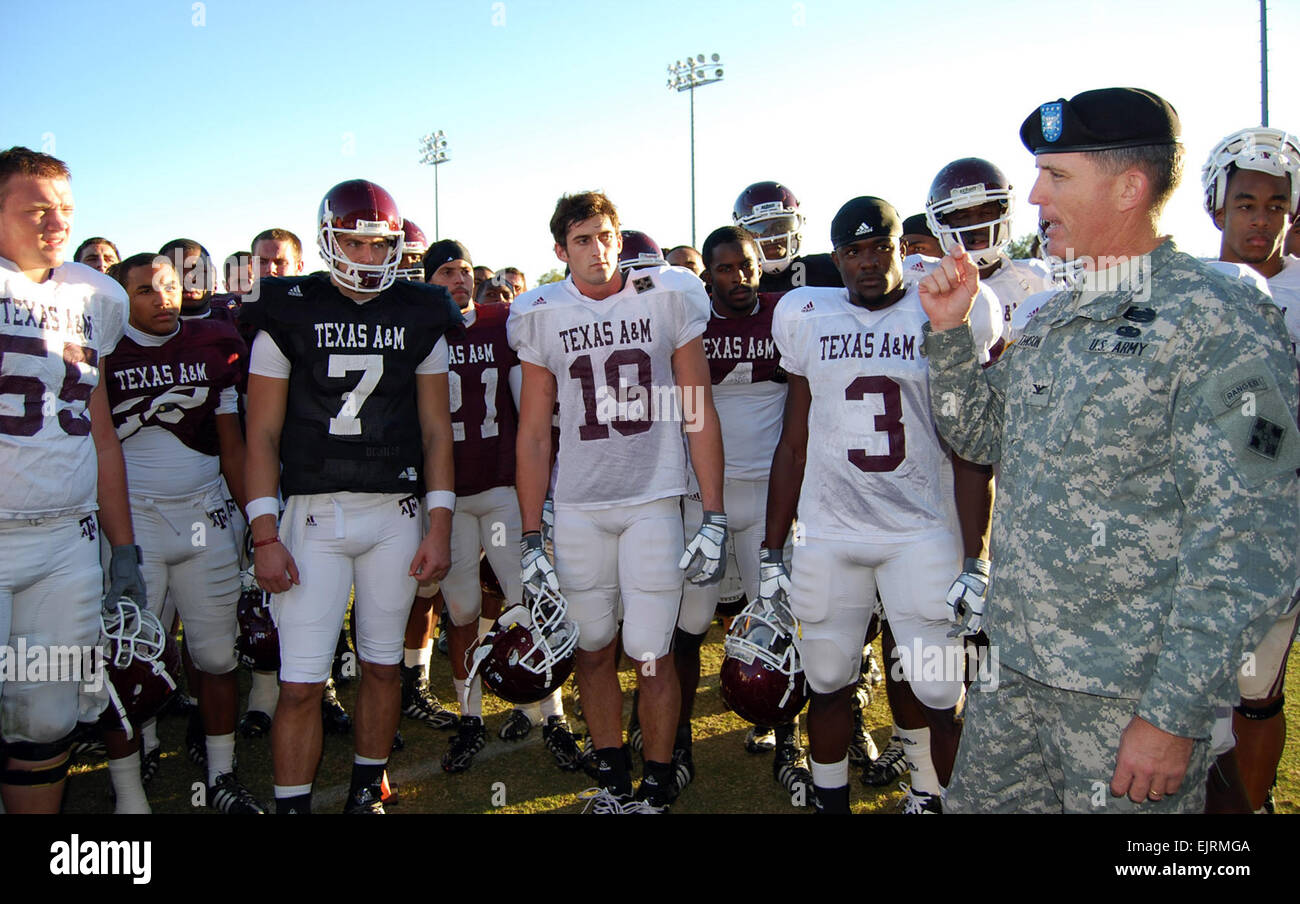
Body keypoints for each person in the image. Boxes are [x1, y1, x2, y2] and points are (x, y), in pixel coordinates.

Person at [921, 87, 1300, 813]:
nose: (1035, 194)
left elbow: (1254, 540)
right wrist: (948, 333)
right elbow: (978, 437)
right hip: (1014, 680)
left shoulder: (1220, 319)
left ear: (1130, 186)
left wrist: (1172, 717)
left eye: (1057, 176)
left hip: (1127, 699)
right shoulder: (1052, 315)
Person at [765, 196, 1000, 814]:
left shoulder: (944, 308)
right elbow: (793, 443)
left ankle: (933, 796)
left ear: (902, 249)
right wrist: (771, 547)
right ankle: (830, 800)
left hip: (920, 531)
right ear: (836, 257)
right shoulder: (806, 315)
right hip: (829, 532)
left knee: (938, 689)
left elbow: (972, 447)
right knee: (829, 682)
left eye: (880, 249)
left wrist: (976, 556)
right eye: (853, 251)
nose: (868, 263)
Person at [241, 178, 459, 814]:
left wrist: (439, 526)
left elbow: (436, 433)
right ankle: (292, 804)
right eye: (355, 245)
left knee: (384, 665)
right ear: (328, 241)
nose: (368, 258)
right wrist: (263, 534)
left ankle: (367, 786)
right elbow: (262, 434)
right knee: (302, 682)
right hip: (312, 514)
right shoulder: (286, 309)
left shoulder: (421, 311)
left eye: (380, 246)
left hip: (394, 514)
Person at [508, 191, 725, 812]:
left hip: (654, 499)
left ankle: (656, 782)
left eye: (605, 235)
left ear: (620, 237)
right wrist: (529, 534)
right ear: (560, 250)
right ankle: (610, 778)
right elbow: (532, 431)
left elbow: (696, 408)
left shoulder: (667, 295)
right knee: (593, 647)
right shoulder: (541, 312)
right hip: (579, 505)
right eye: (582, 239)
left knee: (652, 654)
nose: (597, 249)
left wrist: (711, 511)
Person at [0, 146, 145, 813]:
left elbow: (101, 428)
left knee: (47, 715)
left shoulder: (97, 294)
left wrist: (124, 548)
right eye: (37, 209)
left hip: (65, 542)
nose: (56, 222)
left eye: (65, 209)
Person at [102, 252, 263, 813]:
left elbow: (232, 443)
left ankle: (222, 774)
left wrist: (256, 522)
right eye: (145, 290)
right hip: (134, 520)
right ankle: (128, 792)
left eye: (168, 286)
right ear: (119, 298)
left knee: (217, 656)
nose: (162, 298)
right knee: (127, 660)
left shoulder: (213, 342)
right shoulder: (101, 350)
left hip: (203, 514)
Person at [1202, 125, 1300, 812]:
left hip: (1274, 525)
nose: (1260, 218)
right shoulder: (1188, 289)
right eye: (1245, 203)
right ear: (1217, 205)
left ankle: (1251, 809)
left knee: (1258, 691)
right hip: (1189, 521)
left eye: (1275, 204)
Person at [733, 181, 843, 293]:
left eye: (781, 226)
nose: (772, 236)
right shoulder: (734, 282)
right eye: (760, 229)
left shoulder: (828, 270)